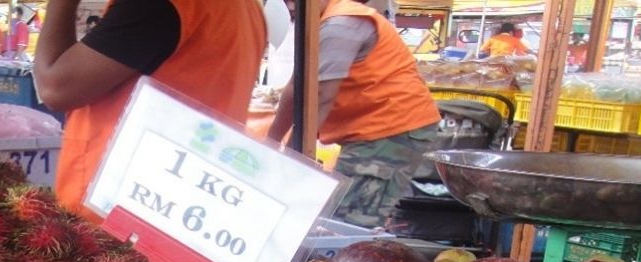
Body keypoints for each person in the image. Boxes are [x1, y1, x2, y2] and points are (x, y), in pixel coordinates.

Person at [33, 0, 267, 218]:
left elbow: (55, 89)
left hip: (121, 213)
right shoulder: (247, 7)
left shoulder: (157, 5)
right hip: (182, 205)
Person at [267, 0, 440, 228]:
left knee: (348, 220)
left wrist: (293, 155)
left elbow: (319, 94)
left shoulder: (341, 24)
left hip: (390, 128)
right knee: (338, 216)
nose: (289, 6)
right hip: (373, 128)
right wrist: (271, 142)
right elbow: (296, 87)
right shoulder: (319, 24)